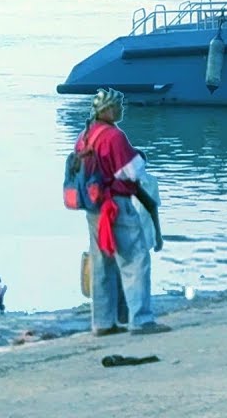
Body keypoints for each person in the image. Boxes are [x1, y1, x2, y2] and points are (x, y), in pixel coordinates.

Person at [77, 88, 169, 336]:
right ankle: (141, 319)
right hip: (117, 206)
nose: (121, 110)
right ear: (107, 109)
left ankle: (103, 323)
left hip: (93, 209)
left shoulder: (85, 136)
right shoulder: (113, 137)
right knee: (135, 260)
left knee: (101, 265)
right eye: (118, 106)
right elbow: (133, 172)